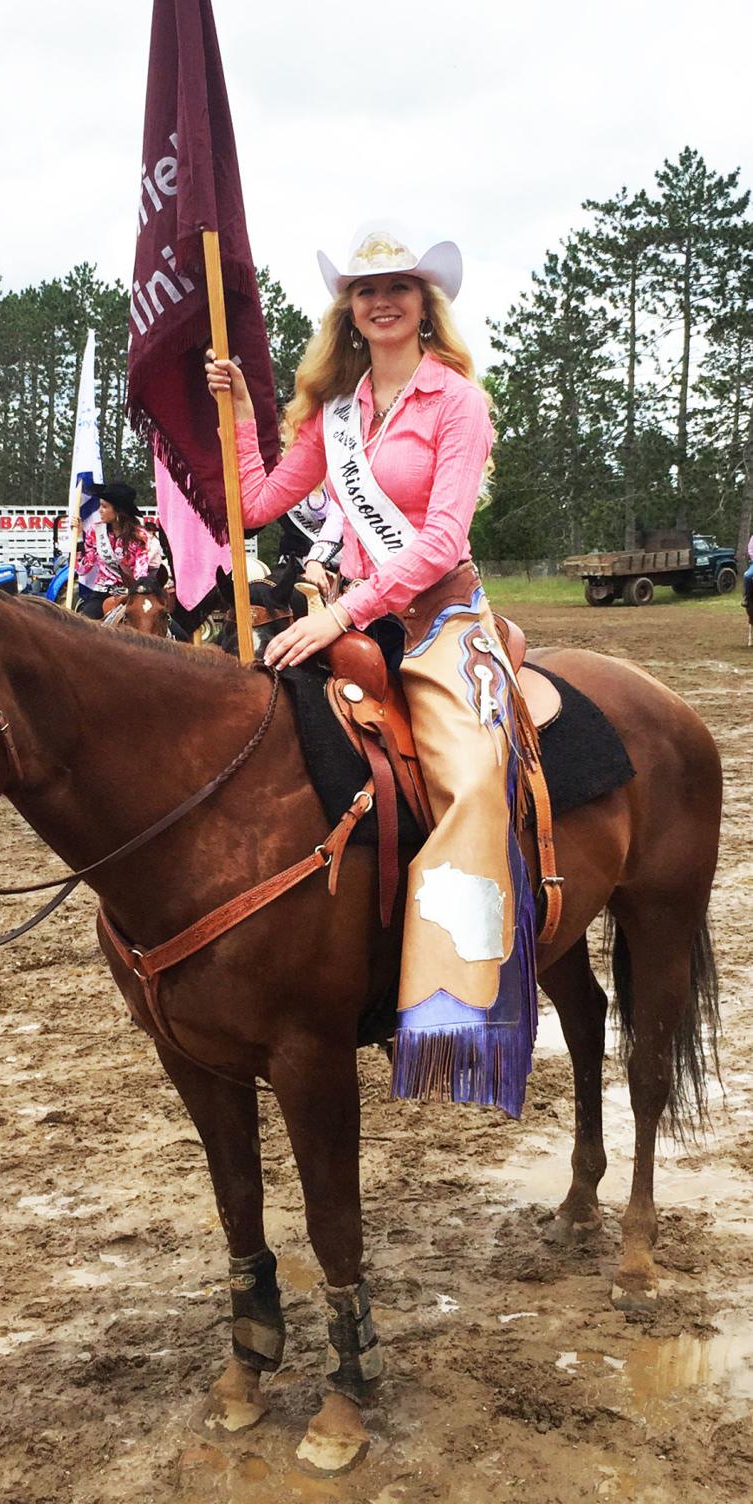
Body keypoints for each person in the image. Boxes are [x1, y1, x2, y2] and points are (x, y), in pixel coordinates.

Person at [205, 219, 538, 1117]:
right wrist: (242, 418)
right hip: (349, 613)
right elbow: (260, 505)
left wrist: (340, 613)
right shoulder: (336, 413)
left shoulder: (457, 401)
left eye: (398, 287)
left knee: (468, 778)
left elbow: (439, 539)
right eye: (364, 289)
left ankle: (455, 1001)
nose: (381, 300)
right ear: (348, 312)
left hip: (437, 618)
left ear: (424, 306)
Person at [75, 482, 163, 618]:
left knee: (170, 629)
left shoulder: (140, 536)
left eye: (104, 506)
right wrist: (79, 538)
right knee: (83, 627)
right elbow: (83, 568)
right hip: (102, 593)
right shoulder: (95, 531)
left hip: (131, 594)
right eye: (100, 506)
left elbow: (140, 573)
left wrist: (132, 594)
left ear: (118, 511)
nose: (100, 510)